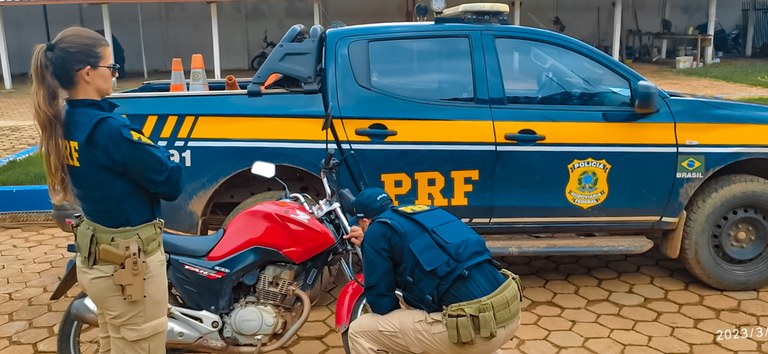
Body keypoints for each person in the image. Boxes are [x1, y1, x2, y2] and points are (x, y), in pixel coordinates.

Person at [30, 27, 182, 353]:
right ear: (87, 73)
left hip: (98, 259)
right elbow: (171, 182)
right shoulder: (109, 130)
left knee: (115, 344)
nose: (115, 74)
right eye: (111, 68)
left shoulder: (64, 118)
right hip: (127, 267)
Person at [344, 188, 521, 354]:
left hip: (477, 333)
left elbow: (381, 303)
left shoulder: (376, 231)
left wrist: (371, 248)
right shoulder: (421, 212)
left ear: (365, 221)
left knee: (361, 331)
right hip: (507, 313)